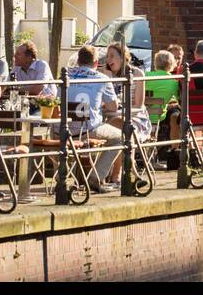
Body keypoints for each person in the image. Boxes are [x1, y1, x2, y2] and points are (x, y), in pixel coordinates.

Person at [65, 45, 122, 190]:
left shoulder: (66, 75)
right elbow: (113, 107)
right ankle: (95, 177)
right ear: (96, 62)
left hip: (62, 130)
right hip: (86, 130)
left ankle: (64, 178)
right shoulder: (102, 78)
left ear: (78, 61)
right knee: (120, 137)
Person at [104, 42, 151, 140]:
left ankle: (128, 152)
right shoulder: (107, 75)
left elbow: (138, 105)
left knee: (115, 124)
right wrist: (108, 79)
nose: (108, 60)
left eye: (112, 56)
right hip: (111, 116)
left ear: (122, 58)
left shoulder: (137, 74)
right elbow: (104, 102)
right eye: (107, 56)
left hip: (134, 116)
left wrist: (119, 113)